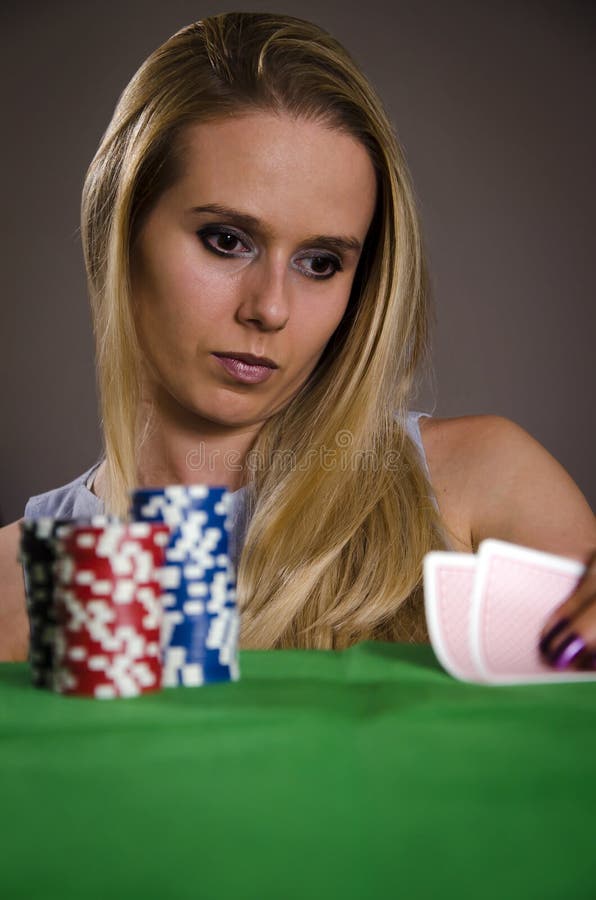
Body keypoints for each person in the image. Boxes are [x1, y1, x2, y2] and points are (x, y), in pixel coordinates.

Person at [0, 12, 594, 664]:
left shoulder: (482, 486)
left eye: (320, 262)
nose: (271, 309)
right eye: (227, 240)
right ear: (120, 228)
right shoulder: (12, 584)